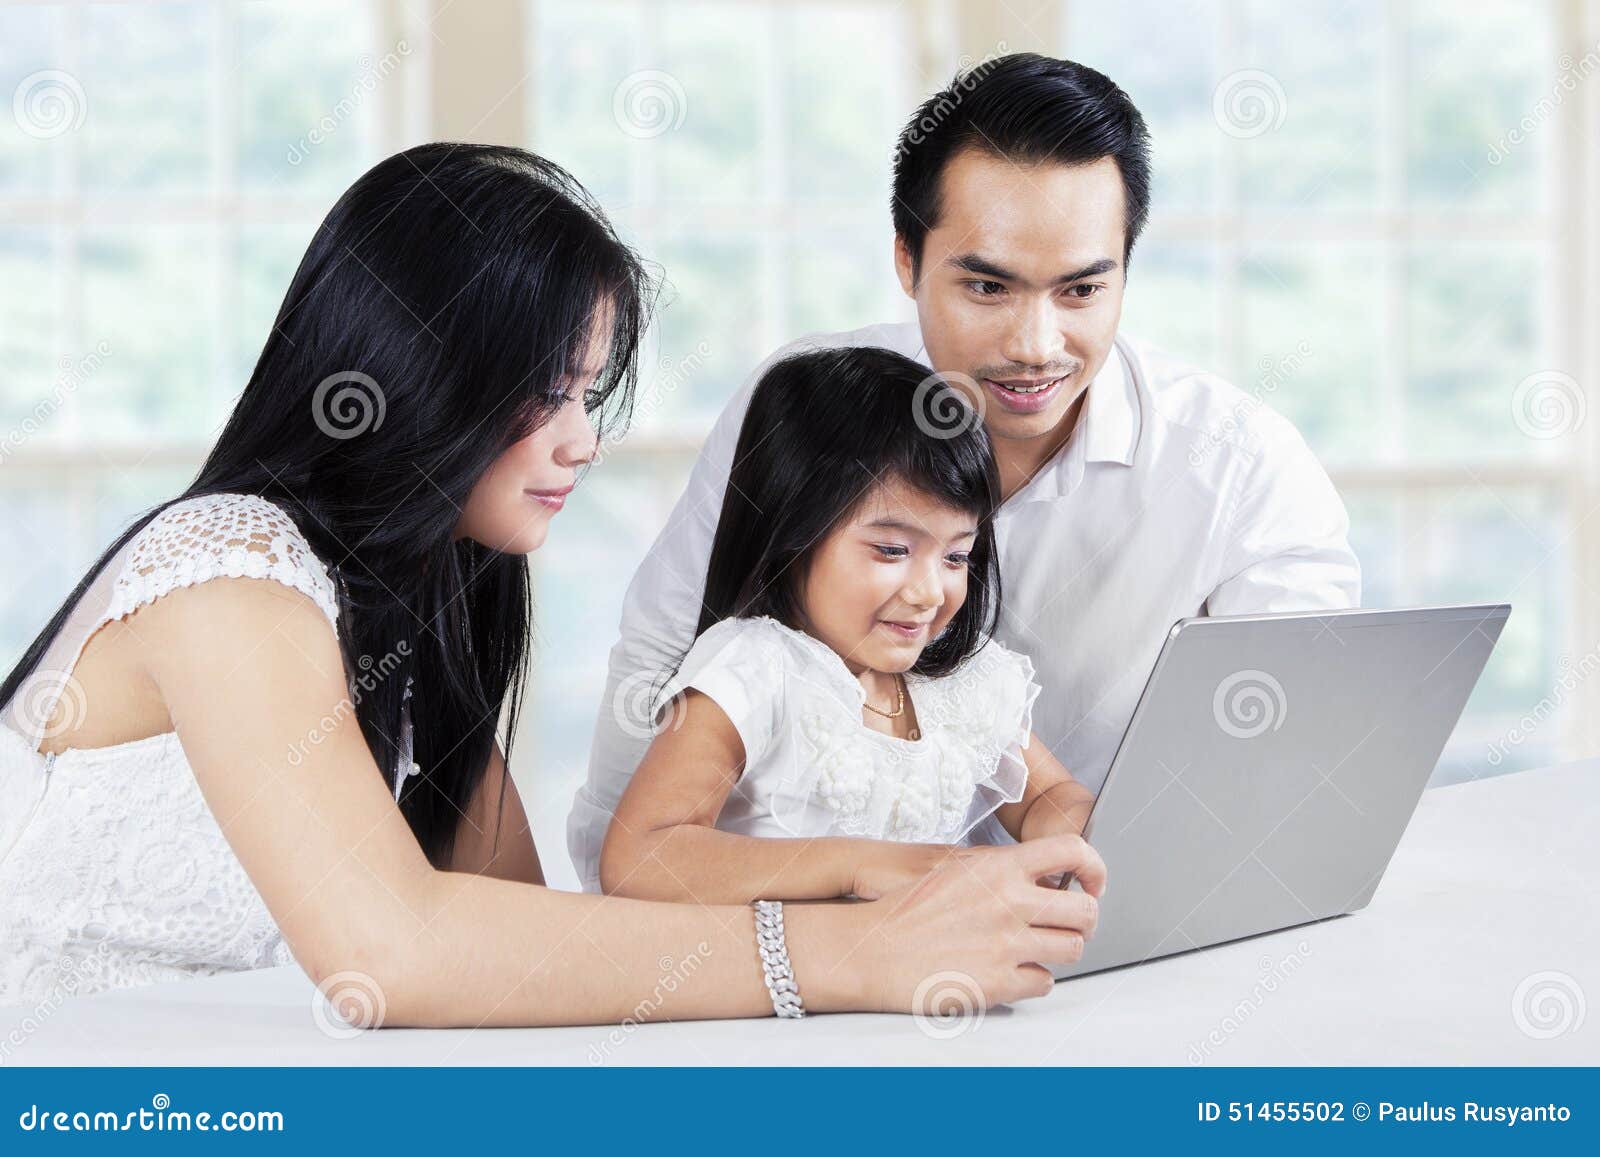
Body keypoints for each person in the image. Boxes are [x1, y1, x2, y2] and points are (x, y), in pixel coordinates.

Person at [0, 143, 1103, 1022]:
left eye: (591, 393)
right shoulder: (225, 569)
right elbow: (395, 948)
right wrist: (855, 949)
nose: (583, 441)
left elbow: (520, 934)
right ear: (419, 372)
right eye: (550, 390)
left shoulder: (428, 600)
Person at [570, 52, 1360, 891]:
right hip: (756, 946)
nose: (1035, 345)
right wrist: (627, 937)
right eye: (988, 286)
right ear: (907, 259)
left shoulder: (1243, 469)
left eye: (1082, 290)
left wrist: (1099, 869)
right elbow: (659, 663)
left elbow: (1289, 771)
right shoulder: (809, 408)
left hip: (1081, 946)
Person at [600, 347, 1096, 904]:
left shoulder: (962, 683)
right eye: (891, 549)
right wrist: (863, 865)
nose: (929, 592)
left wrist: (1063, 847)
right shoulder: (757, 668)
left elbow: (1052, 793)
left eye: (956, 557)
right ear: (792, 535)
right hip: (784, 985)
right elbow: (640, 855)